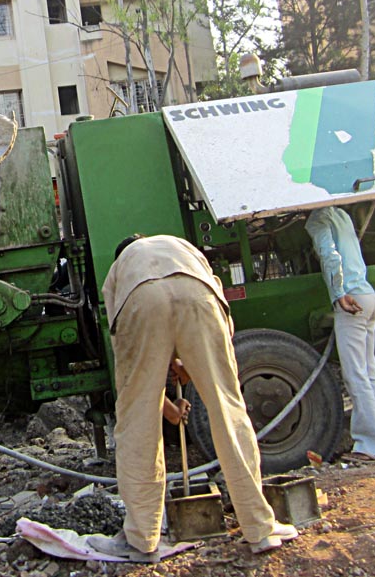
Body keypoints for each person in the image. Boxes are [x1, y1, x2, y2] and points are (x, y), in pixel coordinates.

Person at [91, 234, 298, 562]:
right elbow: (221, 321)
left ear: (120, 256)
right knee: (228, 409)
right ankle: (261, 529)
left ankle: (141, 540)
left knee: (136, 425)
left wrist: (168, 404)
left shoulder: (119, 272)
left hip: (140, 300)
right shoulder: (179, 246)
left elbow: (135, 388)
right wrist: (188, 363)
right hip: (199, 294)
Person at [305, 206, 375, 462]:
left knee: (355, 375)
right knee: (369, 373)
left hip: (352, 299)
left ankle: (369, 446)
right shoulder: (341, 215)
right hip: (369, 296)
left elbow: (330, 255)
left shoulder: (318, 220)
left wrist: (338, 293)